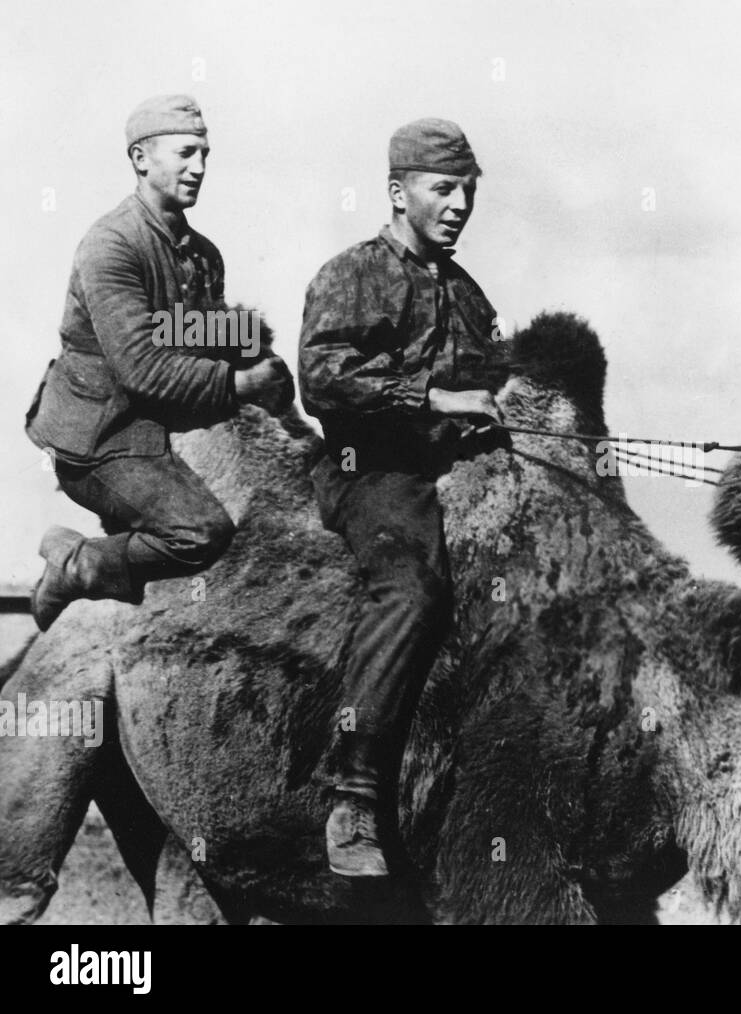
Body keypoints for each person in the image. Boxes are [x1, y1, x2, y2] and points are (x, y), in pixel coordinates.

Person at [299, 118, 508, 877]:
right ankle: (351, 795)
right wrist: (435, 399)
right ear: (398, 191)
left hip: (455, 476)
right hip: (370, 474)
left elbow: (495, 385)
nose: (460, 205)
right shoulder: (350, 274)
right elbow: (321, 382)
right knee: (413, 589)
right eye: (443, 188)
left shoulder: (471, 296)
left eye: (468, 191)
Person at [25, 94, 293, 632]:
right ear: (141, 159)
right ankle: (76, 565)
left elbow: (197, 330)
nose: (199, 168)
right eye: (186, 153)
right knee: (201, 532)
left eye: (205, 155)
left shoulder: (202, 253)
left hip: (149, 429)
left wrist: (263, 356)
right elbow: (142, 367)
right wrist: (242, 384)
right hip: (98, 443)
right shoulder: (110, 245)